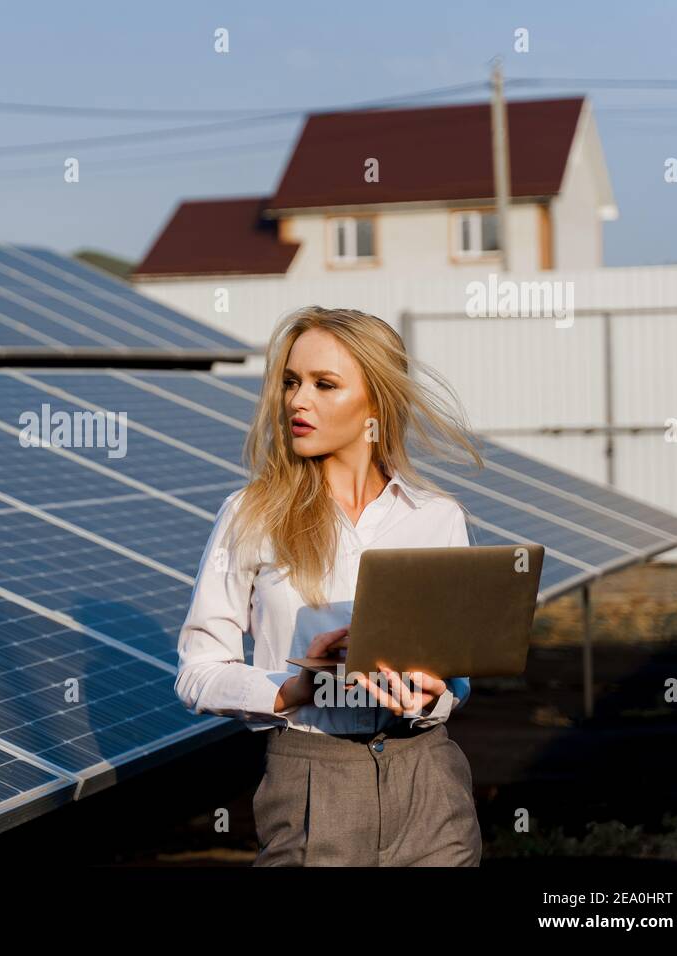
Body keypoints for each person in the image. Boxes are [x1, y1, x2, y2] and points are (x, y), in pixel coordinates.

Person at [175, 305, 485, 866]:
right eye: (291, 382)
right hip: (313, 781)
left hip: (430, 782)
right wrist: (289, 691)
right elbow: (197, 673)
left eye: (324, 384)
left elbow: (455, 674)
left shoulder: (437, 516)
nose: (297, 400)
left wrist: (434, 694)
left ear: (376, 402)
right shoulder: (249, 516)